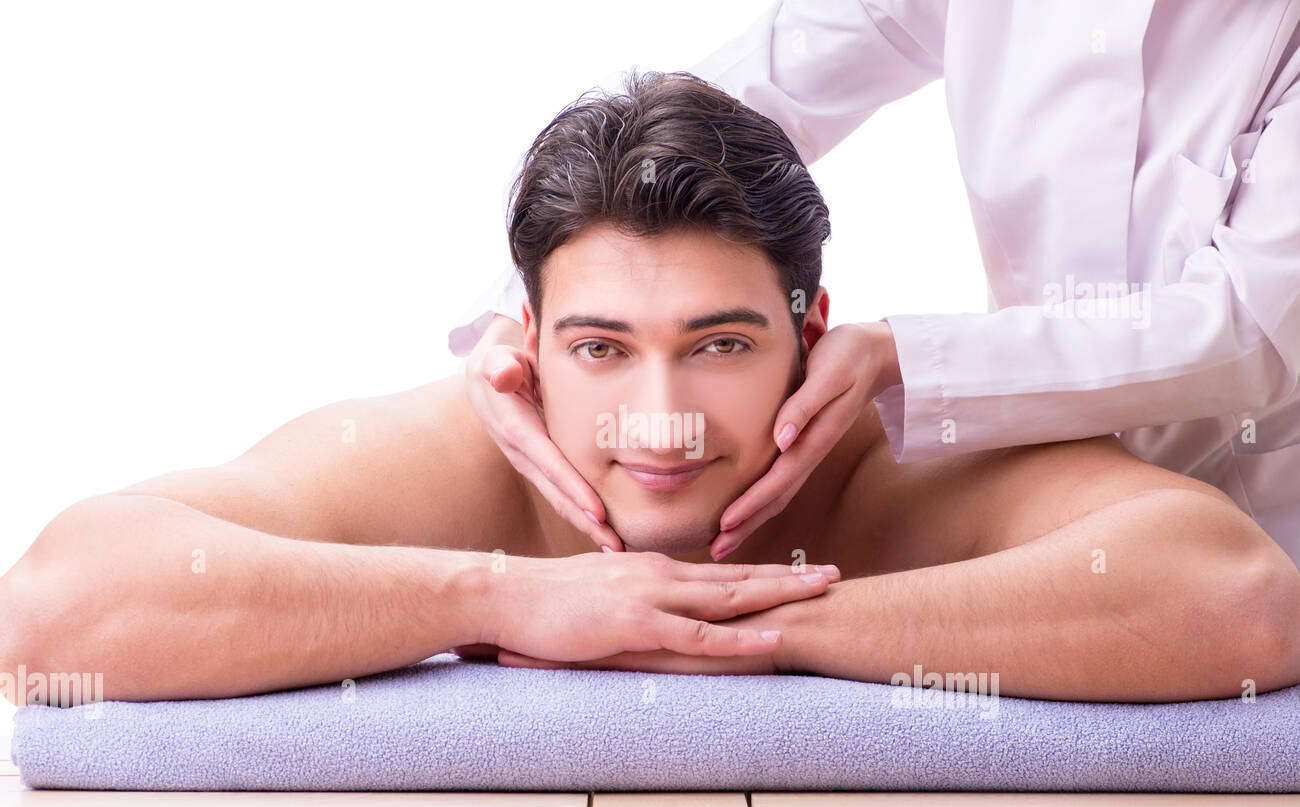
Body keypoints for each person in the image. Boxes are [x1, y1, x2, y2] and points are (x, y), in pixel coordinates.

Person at [2, 73, 1296, 706]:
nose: (661, 415)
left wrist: (747, 626)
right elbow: (51, 610)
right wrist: (506, 594)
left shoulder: (902, 455)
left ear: (812, 335)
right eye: (602, 349)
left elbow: (1241, 600)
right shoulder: (458, 456)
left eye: (723, 345)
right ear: (524, 347)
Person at [454, 0, 1300, 567]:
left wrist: (900, 358)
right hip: (1063, 499)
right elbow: (762, 87)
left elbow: (1248, 330)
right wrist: (520, 299)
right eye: (600, 346)